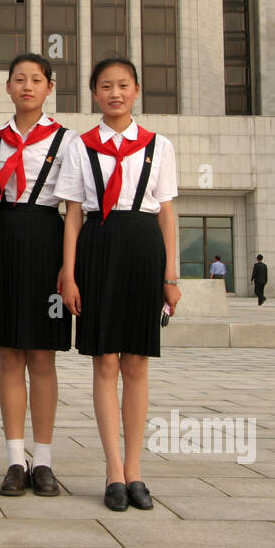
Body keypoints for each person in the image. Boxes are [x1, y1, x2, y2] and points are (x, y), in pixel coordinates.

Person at [56, 58, 179, 513]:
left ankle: (136, 471)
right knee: (105, 362)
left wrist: (170, 276)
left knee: (137, 364)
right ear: (94, 94)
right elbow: (71, 212)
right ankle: (112, 472)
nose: (115, 93)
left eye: (123, 85)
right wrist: (69, 272)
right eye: (105, 86)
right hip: (99, 245)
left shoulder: (158, 146)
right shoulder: (79, 146)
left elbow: (166, 213)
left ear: (136, 90)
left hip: (144, 249)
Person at [0, 53, 75, 497]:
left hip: (46, 242)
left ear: (49, 87)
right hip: (1, 243)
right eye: (19, 79)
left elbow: (74, 209)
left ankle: (45, 461)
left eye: (37, 79)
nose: (28, 86)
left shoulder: (69, 142)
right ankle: (16, 460)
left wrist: (68, 270)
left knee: (43, 358)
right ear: (8, 87)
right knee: (9, 355)